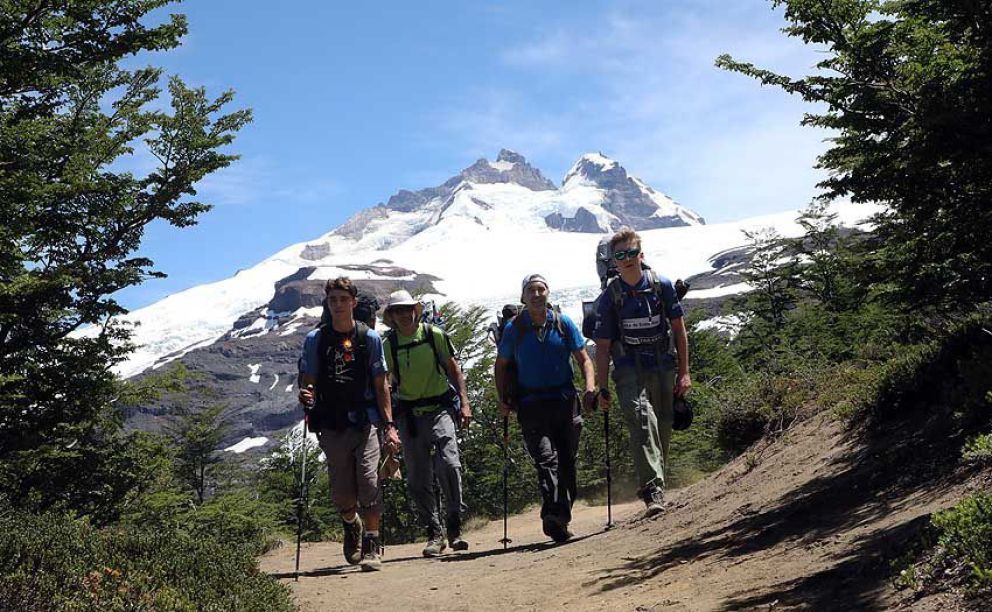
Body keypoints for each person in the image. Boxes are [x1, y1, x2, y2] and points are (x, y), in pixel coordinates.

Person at [299, 277, 401, 572]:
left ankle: (371, 543)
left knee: (369, 481)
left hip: (365, 420)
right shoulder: (315, 340)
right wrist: (306, 393)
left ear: (353, 303)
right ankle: (351, 523)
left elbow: (382, 385)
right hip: (331, 422)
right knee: (342, 494)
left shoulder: (369, 339)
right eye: (334, 300)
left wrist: (389, 424)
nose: (339, 305)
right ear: (328, 303)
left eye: (344, 299)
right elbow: (309, 379)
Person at [592, 227, 691, 516]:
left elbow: (679, 331)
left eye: (631, 252)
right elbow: (603, 344)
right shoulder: (611, 297)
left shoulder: (662, 285)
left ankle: (656, 482)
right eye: (620, 255)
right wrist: (602, 387)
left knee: (663, 424)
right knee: (641, 418)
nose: (627, 259)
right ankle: (652, 488)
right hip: (628, 368)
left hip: (662, 363)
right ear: (613, 260)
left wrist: (684, 373)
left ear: (641, 254)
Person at [494, 274, 596, 543]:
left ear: (548, 293)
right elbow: (502, 364)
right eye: (531, 290)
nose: (537, 294)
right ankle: (554, 516)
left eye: (541, 289)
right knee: (546, 460)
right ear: (523, 297)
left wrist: (589, 388)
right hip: (531, 404)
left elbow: (584, 359)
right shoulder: (514, 328)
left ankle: (559, 516)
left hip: (565, 401)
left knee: (567, 461)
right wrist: (503, 396)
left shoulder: (563, 324)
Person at [382, 290, 472, 556]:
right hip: (408, 416)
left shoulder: (434, 335)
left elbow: (454, 368)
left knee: (449, 465)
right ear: (392, 317)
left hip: (440, 409)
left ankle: (454, 527)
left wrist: (464, 403)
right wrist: (389, 424)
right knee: (418, 478)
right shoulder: (389, 345)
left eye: (408, 308)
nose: (404, 314)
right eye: (398, 310)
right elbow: (386, 384)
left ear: (415, 310)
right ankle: (435, 533)